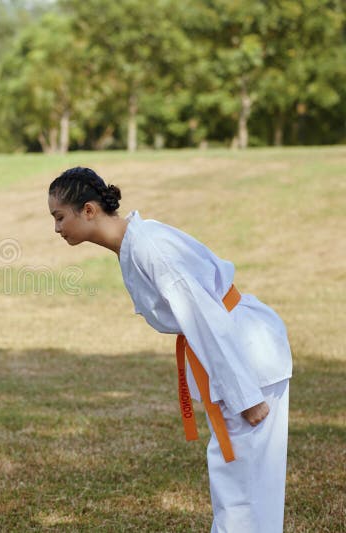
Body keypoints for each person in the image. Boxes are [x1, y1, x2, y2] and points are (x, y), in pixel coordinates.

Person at [47, 166, 292, 532]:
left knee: (246, 487)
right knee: (240, 481)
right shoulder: (136, 241)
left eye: (59, 217)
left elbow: (204, 317)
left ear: (89, 210)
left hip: (244, 353)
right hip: (235, 350)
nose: (56, 229)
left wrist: (246, 395)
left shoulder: (149, 247)